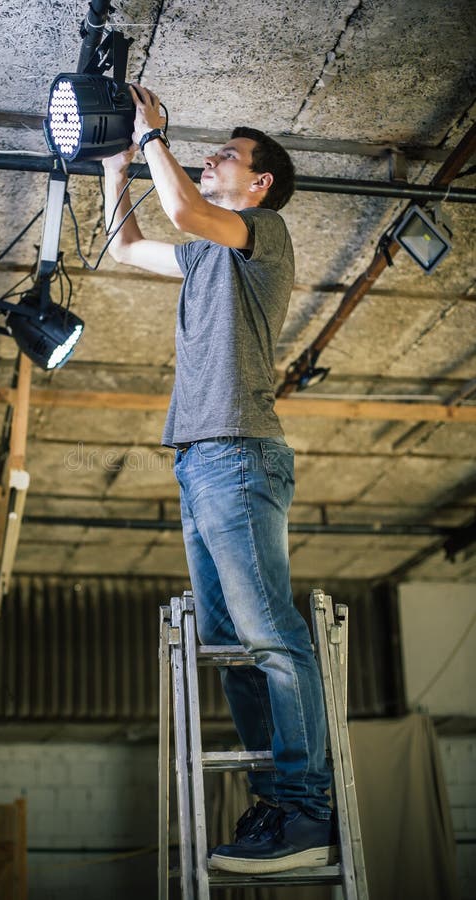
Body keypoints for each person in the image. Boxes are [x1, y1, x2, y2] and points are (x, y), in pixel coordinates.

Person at [102, 85, 336, 875]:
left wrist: (157, 135)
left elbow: (182, 214)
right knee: (230, 642)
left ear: (259, 182)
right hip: (200, 456)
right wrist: (116, 163)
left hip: (238, 452)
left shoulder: (260, 231)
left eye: (227, 156)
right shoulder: (207, 249)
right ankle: (280, 800)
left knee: (268, 629)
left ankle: (306, 807)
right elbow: (124, 247)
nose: (213, 159)